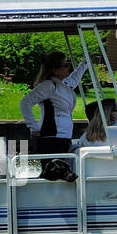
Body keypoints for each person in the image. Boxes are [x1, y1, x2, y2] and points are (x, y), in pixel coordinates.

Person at [20, 51, 87, 181]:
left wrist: (85, 63)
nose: (68, 67)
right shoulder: (48, 85)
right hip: (51, 137)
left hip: (63, 136)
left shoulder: (63, 85)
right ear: (55, 70)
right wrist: (33, 127)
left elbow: (75, 78)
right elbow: (25, 102)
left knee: (61, 172)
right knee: (52, 173)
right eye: (65, 65)